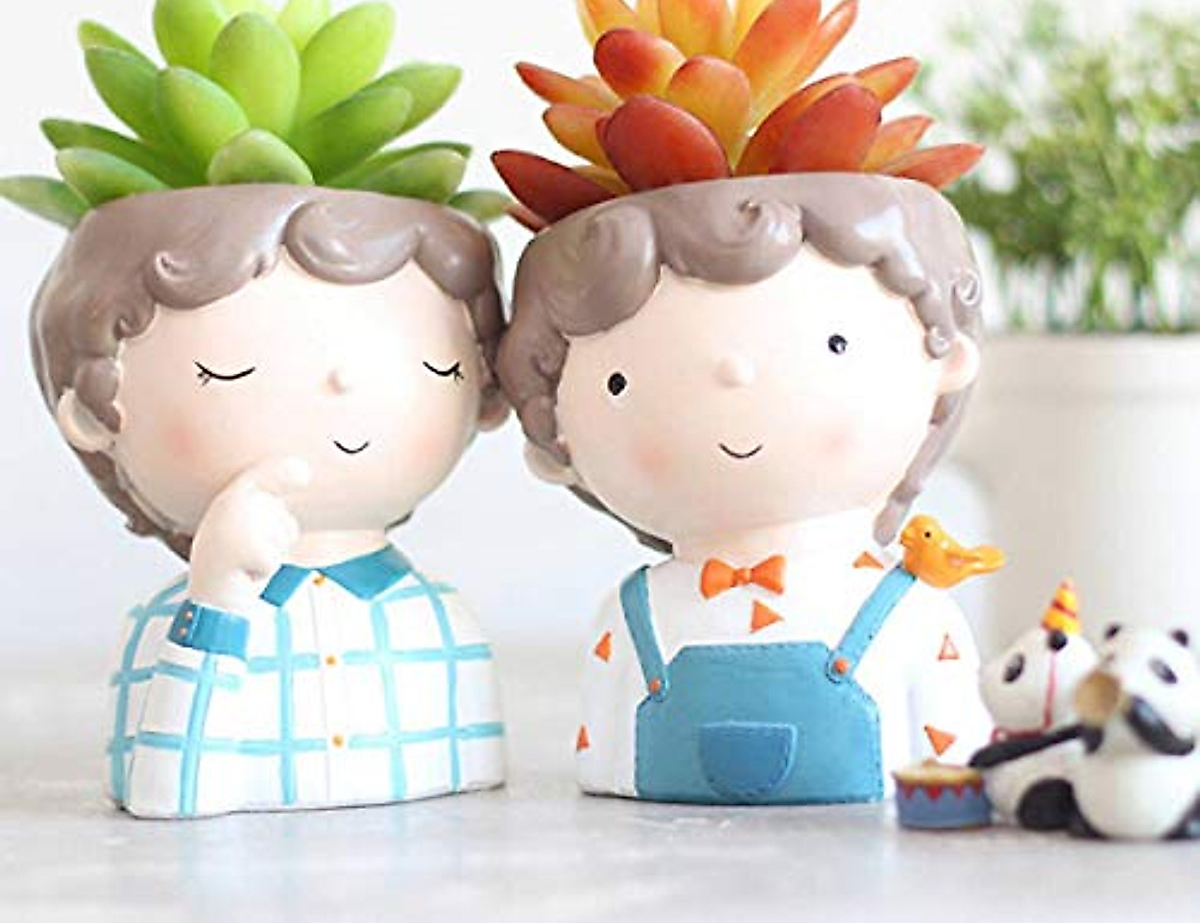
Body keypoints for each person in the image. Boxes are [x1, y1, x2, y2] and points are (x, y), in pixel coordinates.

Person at [498, 172, 992, 804]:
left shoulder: (913, 614)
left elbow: (957, 757)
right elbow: (603, 761)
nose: (736, 376)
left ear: (947, 364)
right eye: (619, 382)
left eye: (835, 344)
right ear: (555, 437)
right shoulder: (633, 614)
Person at [33, 184, 507, 817]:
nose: (346, 382)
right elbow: (167, 791)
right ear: (95, 415)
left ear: (486, 395)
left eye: (433, 366)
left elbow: (475, 769)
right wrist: (217, 602)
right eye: (230, 371)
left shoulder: (439, 621)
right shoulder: (171, 630)